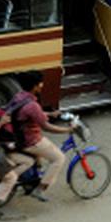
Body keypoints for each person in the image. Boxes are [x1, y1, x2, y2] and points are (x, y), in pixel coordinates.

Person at [7, 71, 72, 202]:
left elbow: (32, 114)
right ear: (35, 86)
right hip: (30, 141)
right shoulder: (32, 105)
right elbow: (47, 127)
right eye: (40, 83)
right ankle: (40, 189)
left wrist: (50, 114)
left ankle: (30, 181)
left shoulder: (19, 97)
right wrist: (67, 130)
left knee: (41, 158)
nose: (42, 85)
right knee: (59, 158)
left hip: (17, 136)